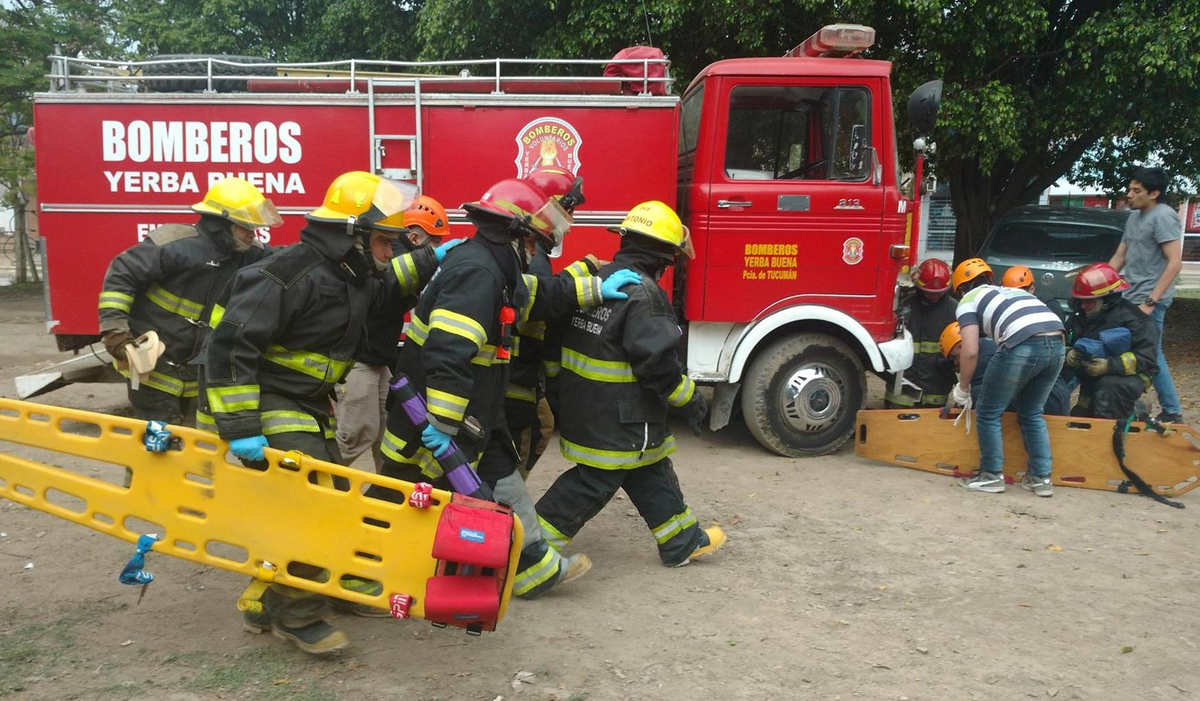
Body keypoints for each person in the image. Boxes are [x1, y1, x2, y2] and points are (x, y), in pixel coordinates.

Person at [205, 171, 454, 655]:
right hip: (265, 399)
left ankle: (288, 596)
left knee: (330, 497)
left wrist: (433, 258)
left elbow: (384, 290)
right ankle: (296, 615)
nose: (389, 253)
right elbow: (231, 346)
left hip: (306, 401)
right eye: (383, 242)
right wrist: (240, 427)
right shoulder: (286, 275)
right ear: (352, 236)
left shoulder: (347, 273)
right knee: (315, 500)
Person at [378, 178, 641, 599]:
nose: (535, 251)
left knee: (501, 478)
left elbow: (535, 295)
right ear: (516, 234)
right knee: (397, 502)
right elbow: (448, 353)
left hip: (471, 416)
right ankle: (357, 577)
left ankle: (532, 568)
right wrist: (442, 425)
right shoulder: (478, 273)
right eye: (533, 242)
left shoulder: (493, 267)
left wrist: (592, 289)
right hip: (429, 424)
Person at [535, 201, 727, 568]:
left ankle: (681, 540)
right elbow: (659, 367)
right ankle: (530, 549)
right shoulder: (644, 295)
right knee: (594, 481)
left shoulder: (596, 282)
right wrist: (691, 401)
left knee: (648, 468)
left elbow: (554, 339)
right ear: (663, 256)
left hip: (586, 408)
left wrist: (557, 389)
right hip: (622, 417)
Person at [98, 177, 278, 425]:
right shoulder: (175, 246)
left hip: (197, 374)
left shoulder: (249, 254)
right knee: (159, 442)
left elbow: (285, 260)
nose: (252, 233)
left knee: (194, 444)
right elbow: (122, 274)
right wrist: (115, 332)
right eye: (245, 226)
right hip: (153, 368)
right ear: (222, 223)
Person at [335, 195, 449, 471]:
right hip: (358, 358)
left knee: (388, 432)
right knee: (356, 434)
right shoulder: (389, 260)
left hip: (378, 358)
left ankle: (385, 489)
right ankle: (310, 479)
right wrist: (430, 260)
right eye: (434, 241)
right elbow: (387, 288)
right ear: (415, 237)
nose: (438, 248)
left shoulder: (404, 258)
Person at [946, 258, 1065, 498]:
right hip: (1057, 341)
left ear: (960, 290)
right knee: (1032, 413)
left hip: (1023, 341)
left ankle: (991, 475)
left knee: (988, 411)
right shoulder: (1011, 292)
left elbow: (970, 350)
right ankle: (1041, 478)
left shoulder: (968, 301)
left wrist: (963, 387)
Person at [506, 166, 595, 478]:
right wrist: (589, 278)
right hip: (515, 374)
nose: (569, 226)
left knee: (542, 426)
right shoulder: (533, 257)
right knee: (522, 441)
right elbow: (544, 300)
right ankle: (506, 499)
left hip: (521, 371)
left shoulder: (532, 253)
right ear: (550, 211)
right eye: (567, 214)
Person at [1109, 166, 1184, 424]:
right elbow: (1120, 256)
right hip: (1128, 297)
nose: (1129, 195)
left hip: (1150, 302)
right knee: (1114, 346)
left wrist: (1151, 301)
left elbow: (1174, 262)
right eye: (1130, 189)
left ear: (1154, 193)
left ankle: (1172, 411)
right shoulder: (1133, 217)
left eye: (1136, 190)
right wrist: (1099, 282)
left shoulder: (1164, 217)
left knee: (1152, 354)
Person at [1062, 263, 1159, 419]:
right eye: (1080, 300)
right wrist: (1068, 354)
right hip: (1089, 381)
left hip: (1125, 380)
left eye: (1089, 301)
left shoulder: (1136, 321)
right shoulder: (1079, 316)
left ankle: (1133, 411)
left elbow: (1146, 359)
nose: (1083, 305)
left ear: (1106, 299)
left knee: (1106, 404)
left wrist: (1108, 366)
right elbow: (1062, 342)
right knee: (1080, 418)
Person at [940, 321, 1071, 416]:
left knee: (978, 395)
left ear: (962, 346)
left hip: (1048, 403)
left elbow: (974, 403)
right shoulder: (989, 345)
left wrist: (954, 412)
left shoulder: (981, 359)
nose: (956, 362)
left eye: (954, 357)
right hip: (1055, 398)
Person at [885, 258, 957, 408]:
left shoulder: (955, 311)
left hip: (936, 390)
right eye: (930, 293)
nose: (935, 296)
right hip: (903, 387)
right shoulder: (904, 308)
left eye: (939, 293)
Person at [1001, 264, 1067, 320]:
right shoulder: (1001, 308)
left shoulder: (1050, 306)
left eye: (1019, 292)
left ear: (1031, 289)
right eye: (1009, 292)